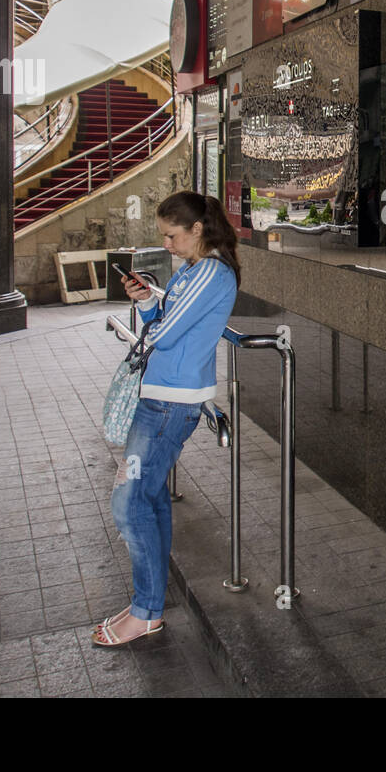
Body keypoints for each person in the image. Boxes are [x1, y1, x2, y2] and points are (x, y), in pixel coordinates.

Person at [92, 191, 240, 646]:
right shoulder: (194, 271)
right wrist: (145, 301)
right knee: (148, 499)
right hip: (164, 398)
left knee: (127, 502)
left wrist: (156, 316)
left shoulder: (210, 272)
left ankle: (147, 611)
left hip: (170, 404)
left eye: (171, 236)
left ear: (198, 229)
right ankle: (148, 607)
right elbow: (162, 321)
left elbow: (168, 334)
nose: (168, 244)